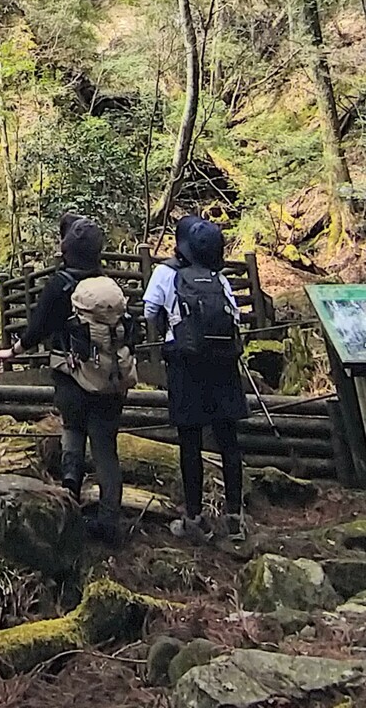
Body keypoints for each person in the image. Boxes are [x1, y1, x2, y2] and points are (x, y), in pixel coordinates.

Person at [0, 214, 136, 545]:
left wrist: (13, 351)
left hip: (72, 379)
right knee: (106, 449)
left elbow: (37, 328)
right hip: (111, 380)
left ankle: (69, 501)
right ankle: (109, 521)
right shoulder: (108, 288)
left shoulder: (60, 286)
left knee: (72, 430)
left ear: (66, 249)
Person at [143, 215, 248, 542]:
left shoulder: (166, 273)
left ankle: (193, 517)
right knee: (229, 441)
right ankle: (234, 517)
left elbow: (149, 312)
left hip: (186, 366)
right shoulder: (220, 278)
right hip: (223, 366)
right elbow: (235, 318)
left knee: (190, 443)